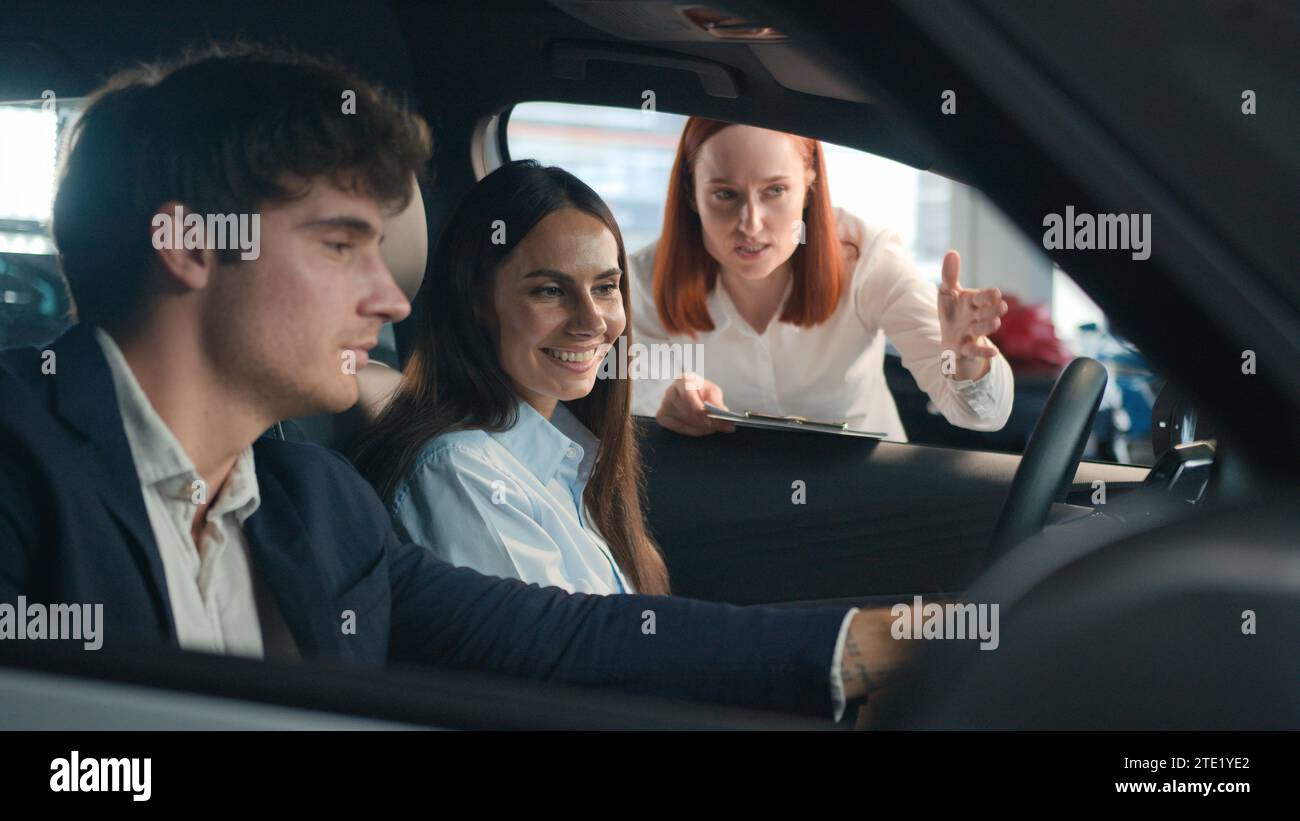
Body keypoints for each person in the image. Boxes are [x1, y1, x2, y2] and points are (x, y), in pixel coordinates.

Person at [0, 43, 907, 721]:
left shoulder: (314, 507)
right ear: (191, 243)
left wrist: (868, 643)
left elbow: (560, 638)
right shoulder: (20, 470)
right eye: (342, 243)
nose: (390, 297)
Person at [351, 161, 664, 596]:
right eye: (550, 291)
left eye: (606, 288)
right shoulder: (460, 473)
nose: (592, 322)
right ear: (476, 301)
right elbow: (559, 659)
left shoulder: (566, 450)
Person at [628, 117, 1015, 440]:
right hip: (728, 497)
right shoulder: (645, 277)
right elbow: (629, 409)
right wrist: (672, 402)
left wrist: (961, 360)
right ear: (692, 196)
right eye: (725, 195)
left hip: (863, 496)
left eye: (775, 191)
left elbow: (980, 416)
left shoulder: (868, 258)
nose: (750, 224)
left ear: (809, 186)